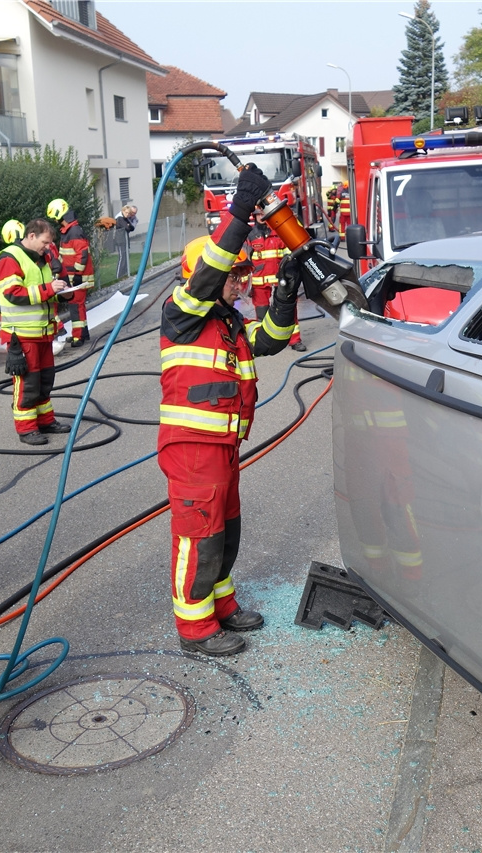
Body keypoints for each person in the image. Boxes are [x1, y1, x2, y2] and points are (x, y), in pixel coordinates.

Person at [159, 163, 299, 656]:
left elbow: (271, 340)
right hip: (193, 450)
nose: (241, 282)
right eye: (234, 275)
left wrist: (285, 293)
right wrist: (239, 210)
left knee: (224, 531)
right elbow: (210, 273)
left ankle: (221, 605)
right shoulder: (182, 313)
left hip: (223, 448)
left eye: (244, 274)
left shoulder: (227, 322)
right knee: (199, 536)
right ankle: (195, 628)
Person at [0, 218, 71, 445]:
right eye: (45, 242)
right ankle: (27, 428)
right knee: (28, 383)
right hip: (22, 335)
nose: (48, 248)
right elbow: (13, 293)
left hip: (43, 333)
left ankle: (45, 421)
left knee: (45, 380)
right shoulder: (9, 258)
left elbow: (45, 293)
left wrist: (63, 292)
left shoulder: (41, 259)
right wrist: (49, 289)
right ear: (31, 236)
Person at [248, 216, 305, 351]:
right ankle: (264, 341)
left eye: (263, 213)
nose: (261, 216)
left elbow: (289, 254)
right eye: (258, 214)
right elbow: (246, 259)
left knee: (288, 310)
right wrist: (246, 285)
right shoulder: (250, 235)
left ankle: (294, 340)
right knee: (262, 312)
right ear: (254, 215)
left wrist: (291, 273)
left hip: (281, 278)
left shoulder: (279, 232)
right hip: (259, 281)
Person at [46, 199, 93, 346]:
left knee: (75, 306)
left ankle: (78, 337)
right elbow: (65, 256)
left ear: (60, 215)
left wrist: (78, 274)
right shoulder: (68, 231)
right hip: (74, 276)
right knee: (78, 305)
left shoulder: (74, 231)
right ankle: (83, 332)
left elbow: (82, 254)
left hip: (78, 277)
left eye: (55, 218)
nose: (55, 221)